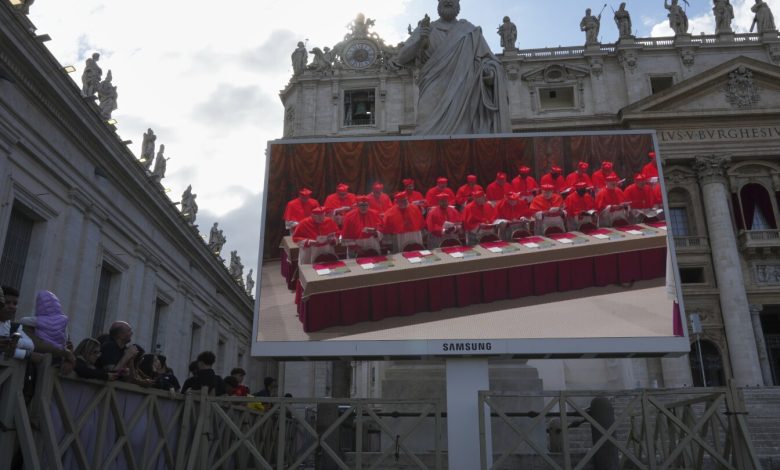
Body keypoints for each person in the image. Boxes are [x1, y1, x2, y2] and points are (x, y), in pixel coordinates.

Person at [395, 0, 511, 134]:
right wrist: (421, 39)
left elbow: (490, 60)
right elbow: (402, 58)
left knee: (463, 141)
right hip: (432, 92)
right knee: (424, 135)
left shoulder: (470, 31)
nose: (448, 1)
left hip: (463, 96)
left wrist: (491, 71)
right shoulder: (426, 28)